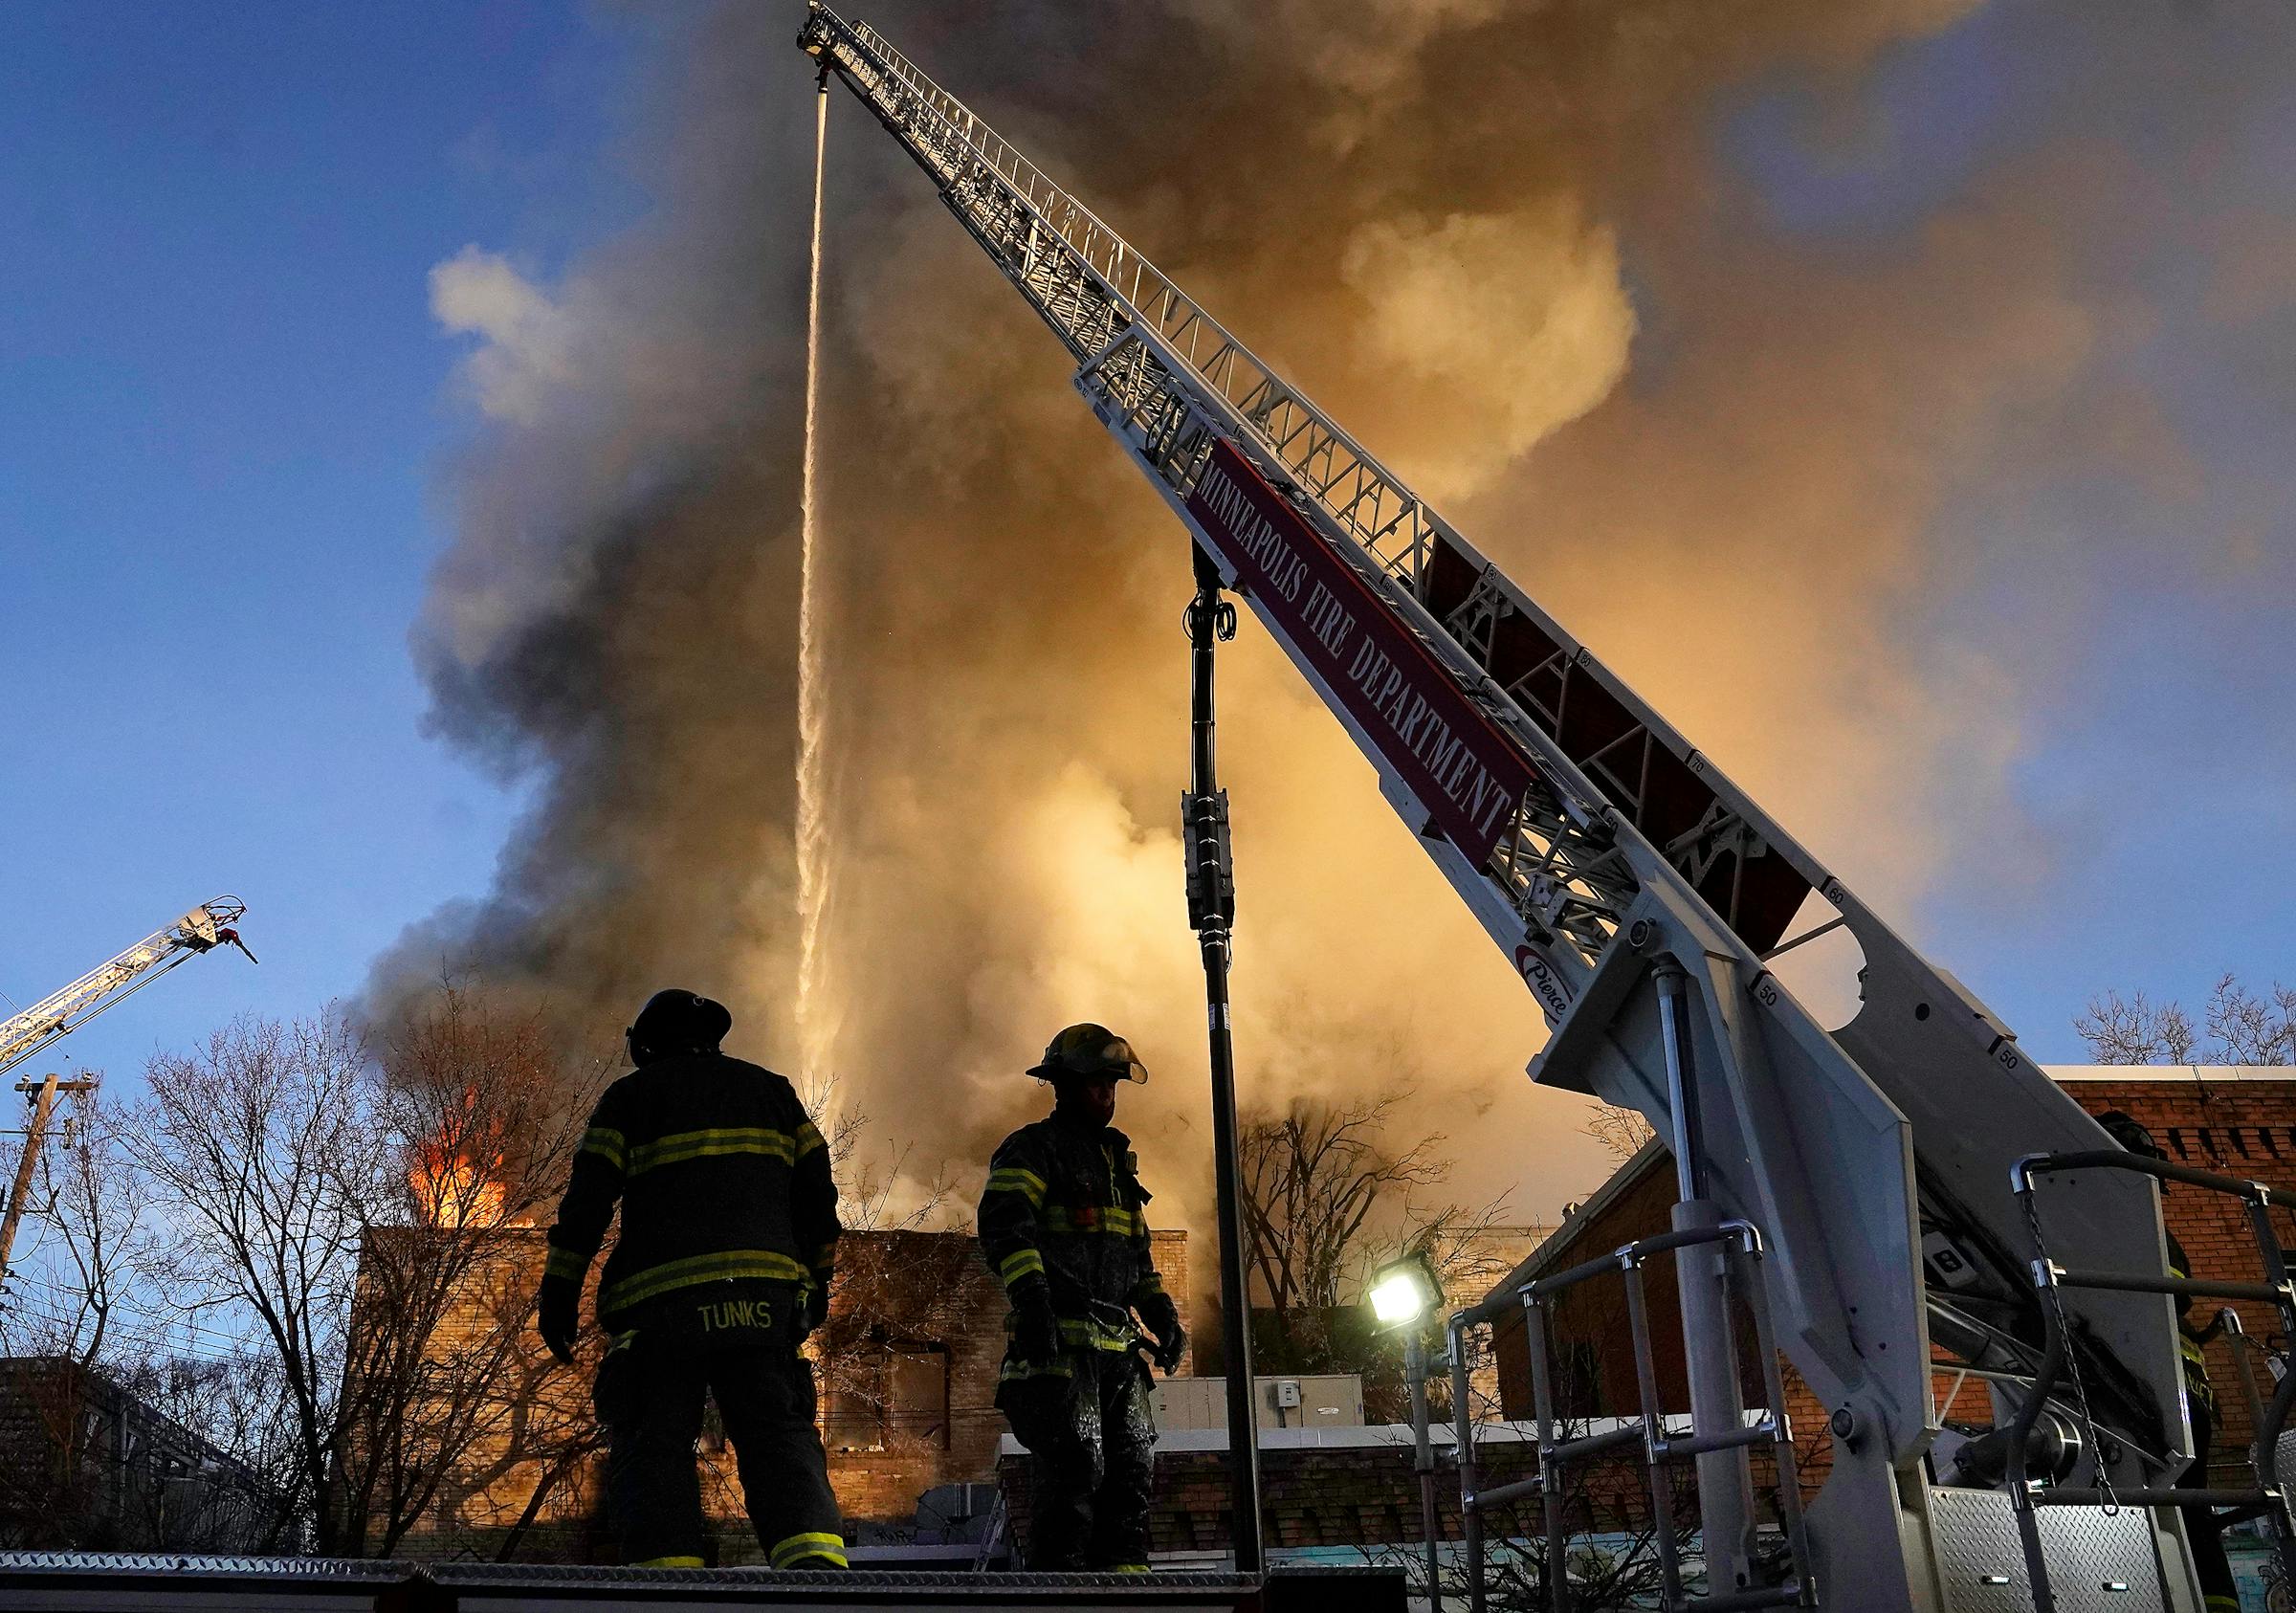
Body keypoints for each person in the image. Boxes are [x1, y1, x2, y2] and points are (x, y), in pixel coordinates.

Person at [538, 989, 846, 1572]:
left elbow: (584, 1210)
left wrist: (558, 1298)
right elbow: (818, 1201)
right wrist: (814, 1286)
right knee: (778, 1435)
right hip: (762, 1309)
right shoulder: (772, 1092)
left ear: (646, 1044)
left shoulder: (629, 1098)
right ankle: (815, 1569)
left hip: (661, 1315)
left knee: (654, 1443)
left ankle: (667, 1580)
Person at [979, 1023, 1185, 1572]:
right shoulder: (1032, 1150)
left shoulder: (1118, 1162)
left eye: (1112, 1085)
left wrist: (1163, 1314)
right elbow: (1005, 1231)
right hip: (1061, 1355)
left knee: (1133, 1479)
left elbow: (1136, 1258)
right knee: (1074, 1477)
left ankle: (1127, 1599)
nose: (1107, 1096)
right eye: (1096, 1084)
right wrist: (1034, 1302)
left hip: (1119, 1356)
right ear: (1064, 1086)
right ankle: (1063, 1600)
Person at [2095, 1110, 2236, 1613]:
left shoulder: (2124, 1229)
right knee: (2191, 1514)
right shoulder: (2156, 1229)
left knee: (2153, 1514)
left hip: (2152, 1389)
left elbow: (2152, 1301)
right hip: (2186, 1392)